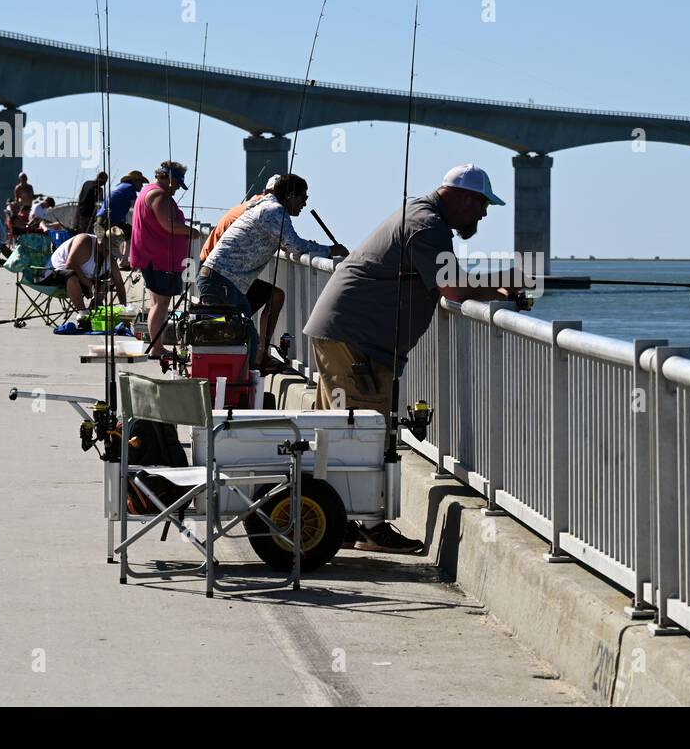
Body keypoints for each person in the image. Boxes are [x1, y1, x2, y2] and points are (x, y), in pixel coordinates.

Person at [302, 164, 523, 554]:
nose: (484, 214)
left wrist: (496, 289)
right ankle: (371, 529)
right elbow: (453, 288)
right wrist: (507, 278)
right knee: (366, 432)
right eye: (482, 205)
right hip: (356, 343)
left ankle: (344, 523)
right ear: (464, 197)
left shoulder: (423, 217)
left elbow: (448, 282)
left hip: (346, 336)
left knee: (341, 431)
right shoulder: (427, 225)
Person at [199, 173, 346, 373]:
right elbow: (296, 246)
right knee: (242, 338)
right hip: (221, 281)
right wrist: (330, 250)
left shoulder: (264, 207)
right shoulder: (274, 211)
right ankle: (239, 380)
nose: (304, 204)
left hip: (226, 281)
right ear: (290, 196)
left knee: (240, 335)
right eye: (303, 197)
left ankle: (244, 376)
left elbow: (288, 243)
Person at [129, 162, 198, 357]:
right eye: (177, 184)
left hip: (153, 257)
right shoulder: (159, 195)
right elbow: (169, 225)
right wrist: (192, 232)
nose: (177, 188)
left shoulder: (148, 192)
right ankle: (156, 348)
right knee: (161, 304)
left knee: (157, 303)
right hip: (160, 259)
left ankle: (156, 346)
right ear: (169, 178)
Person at [41, 231, 126, 313]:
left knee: (106, 280)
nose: (109, 253)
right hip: (53, 272)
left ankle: (95, 308)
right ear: (101, 243)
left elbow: (119, 282)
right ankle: (83, 313)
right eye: (108, 250)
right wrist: (90, 285)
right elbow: (70, 265)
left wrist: (124, 308)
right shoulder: (85, 241)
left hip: (82, 276)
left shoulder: (110, 257)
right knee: (71, 275)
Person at [97, 170, 149, 247]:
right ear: (134, 181)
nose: (142, 186)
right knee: (135, 234)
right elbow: (139, 207)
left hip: (100, 220)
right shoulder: (130, 188)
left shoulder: (120, 187)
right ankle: (127, 255)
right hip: (109, 221)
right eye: (141, 182)